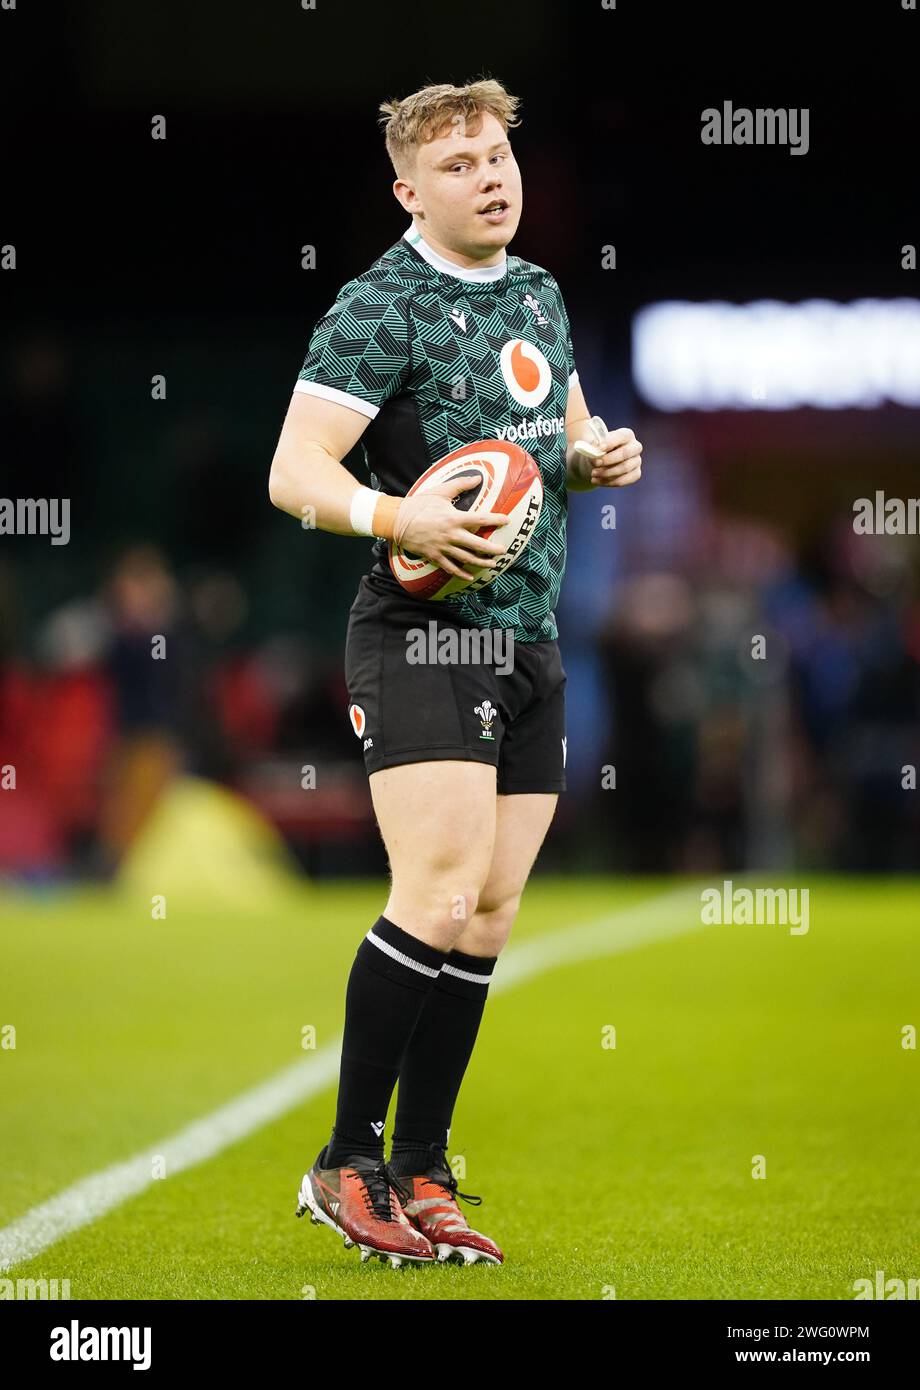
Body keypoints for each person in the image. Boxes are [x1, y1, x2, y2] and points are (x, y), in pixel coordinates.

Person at [269, 77, 643, 1268]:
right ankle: (342, 1161)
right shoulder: (382, 307)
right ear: (406, 190)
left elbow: (557, 441)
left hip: (530, 638)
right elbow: (294, 471)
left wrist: (595, 454)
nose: (490, 178)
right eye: (458, 164)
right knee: (430, 894)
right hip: (424, 633)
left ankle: (421, 1167)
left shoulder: (536, 290)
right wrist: (396, 516)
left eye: (498, 157)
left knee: (484, 915)